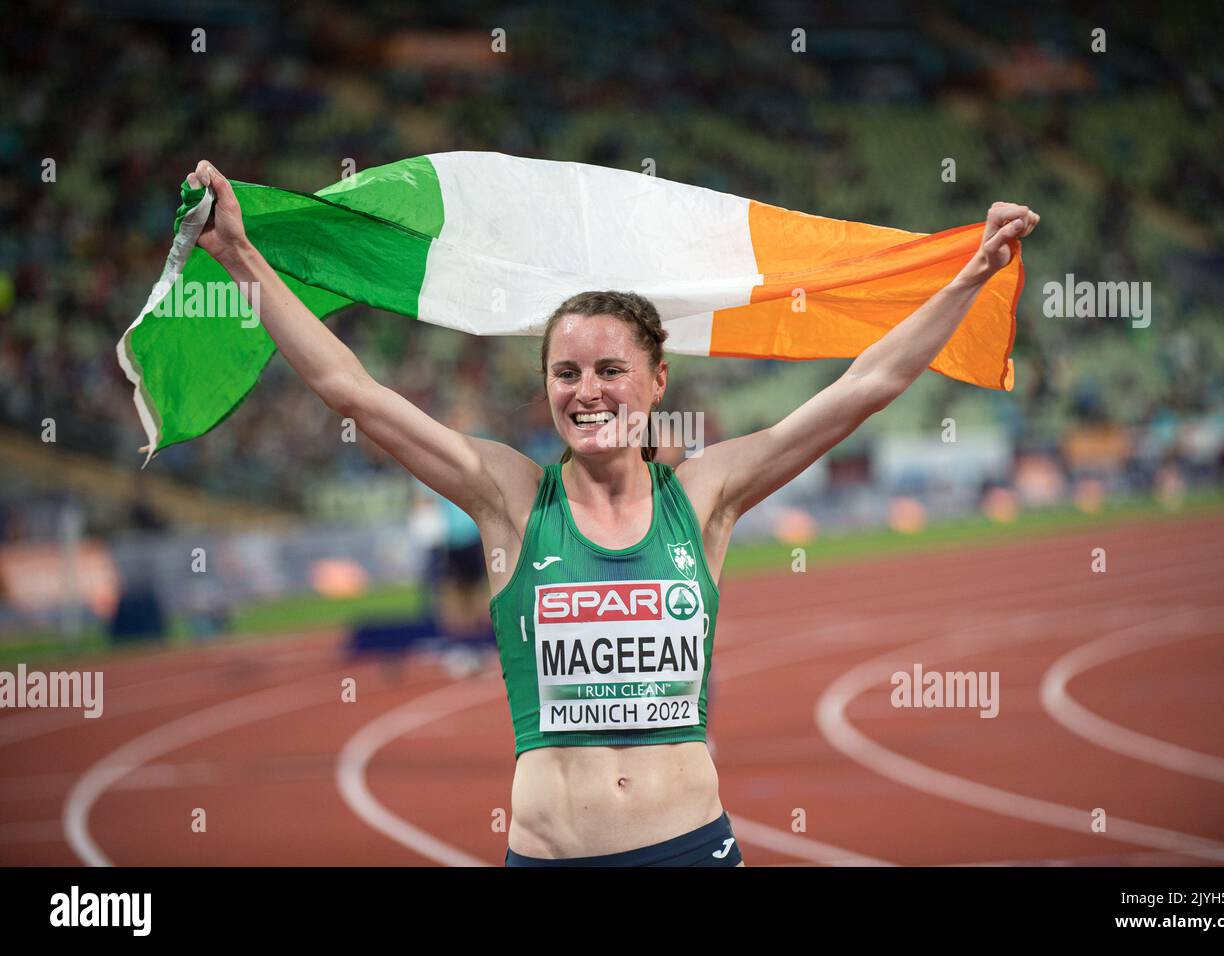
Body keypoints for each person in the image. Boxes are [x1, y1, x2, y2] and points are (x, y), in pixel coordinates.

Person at [184, 159, 1038, 867]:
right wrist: (240, 255)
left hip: (692, 848)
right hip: (550, 853)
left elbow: (865, 386)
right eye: (566, 373)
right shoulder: (510, 499)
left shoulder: (703, 496)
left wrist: (970, 275)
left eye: (609, 371)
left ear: (657, 382)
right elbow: (354, 392)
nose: (587, 392)